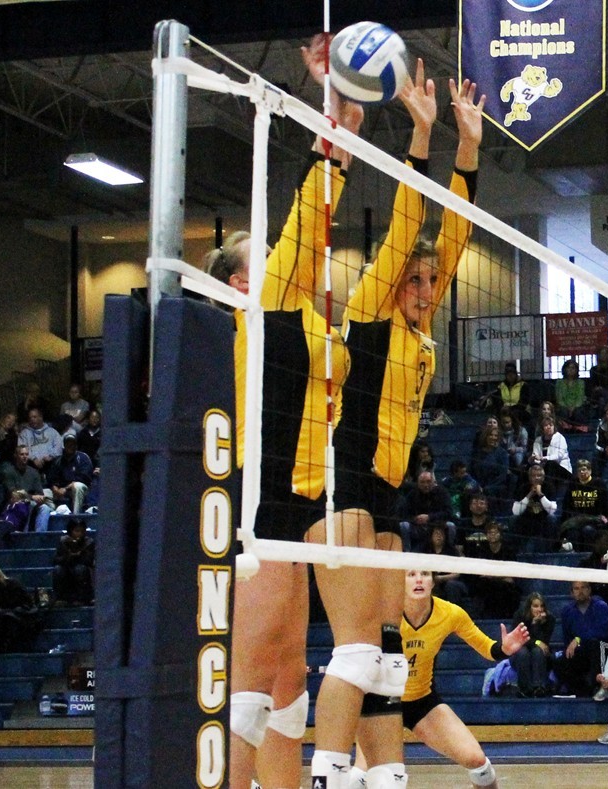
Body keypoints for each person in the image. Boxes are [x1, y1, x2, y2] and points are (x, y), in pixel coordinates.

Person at [318, 65, 486, 785]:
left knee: (386, 649)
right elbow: (410, 226)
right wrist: (421, 135)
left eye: (429, 282)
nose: (424, 289)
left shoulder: (422, 334)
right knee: (357, 650)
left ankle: (380, 772)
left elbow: (453, 229)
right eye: (413, 281)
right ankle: (327, 768)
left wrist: (468, 146)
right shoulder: (371, 311)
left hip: (385, 490)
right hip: (346, 477)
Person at [206, 41, 364, 789]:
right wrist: (333, 129)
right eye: (259, 255)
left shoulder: (297, 317)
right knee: (256, 664)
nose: (274, 256)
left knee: (290, 666)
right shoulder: (262, 304)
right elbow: (307, 221)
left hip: (306, 491)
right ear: (242, 278)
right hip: (263, 488)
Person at [351, 569, 527, 789]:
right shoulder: (383, 611)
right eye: (410, 574)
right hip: (380, 704)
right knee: (358, 780)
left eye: (424, 574)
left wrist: (504, 649)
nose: (418, 579)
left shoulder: (450, 613)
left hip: (421, 702)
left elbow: (487, 648)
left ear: (433, 582)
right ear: (399, 581)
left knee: (479, 764)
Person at [558, 581, 608, 698]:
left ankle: (598, 685)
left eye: (583, 588)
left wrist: (579, 639)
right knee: (561, 661)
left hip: (607, 647)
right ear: (572, 593)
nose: (580, 592)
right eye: (576, 589)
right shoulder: (567, 611)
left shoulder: (601, 606)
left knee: (594, 644)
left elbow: (603, 632)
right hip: (584, 650)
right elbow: (568, 640)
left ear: (589, 589)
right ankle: (582, 690)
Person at [510, 593, 556, 697]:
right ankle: (524, 689)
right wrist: (536, 641)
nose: (539, 609)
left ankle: (539, 688)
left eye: (542, 606)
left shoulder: (550, 619)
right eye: (535, 606)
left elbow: (544, 642)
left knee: (537, 651)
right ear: (529, 607)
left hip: (540, 655)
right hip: (519, 653)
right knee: (523, 652)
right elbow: (519, 640)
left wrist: (537, 625)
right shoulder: (519, 616)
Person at [51, 518, 95, 606]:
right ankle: (61, 598)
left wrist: (79, 555)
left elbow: (89, 561)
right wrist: (68, 555)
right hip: (66, 569)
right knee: (57, 569)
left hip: (82, 569)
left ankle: (81, 598)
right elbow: (56, 560)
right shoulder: (63, 541)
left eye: (82, 531)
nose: (79, 534)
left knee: (80, 569)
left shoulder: (89, 542)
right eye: (77, 531)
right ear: (70, 531)